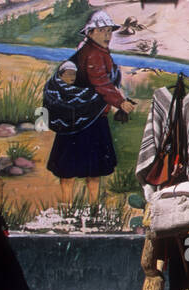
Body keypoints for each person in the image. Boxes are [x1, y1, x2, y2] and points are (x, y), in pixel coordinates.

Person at [45, 10, 137, 201]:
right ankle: (82, 207)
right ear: (90, 33)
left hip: (83, 117)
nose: (107, 35)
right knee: (83, 169)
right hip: (85, 118)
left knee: (80, 169)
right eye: (102, 30)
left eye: (109, 31)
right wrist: (120, 103)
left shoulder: (95, 51)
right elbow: (101, 83)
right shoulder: (94, 54)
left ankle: (75, 207)